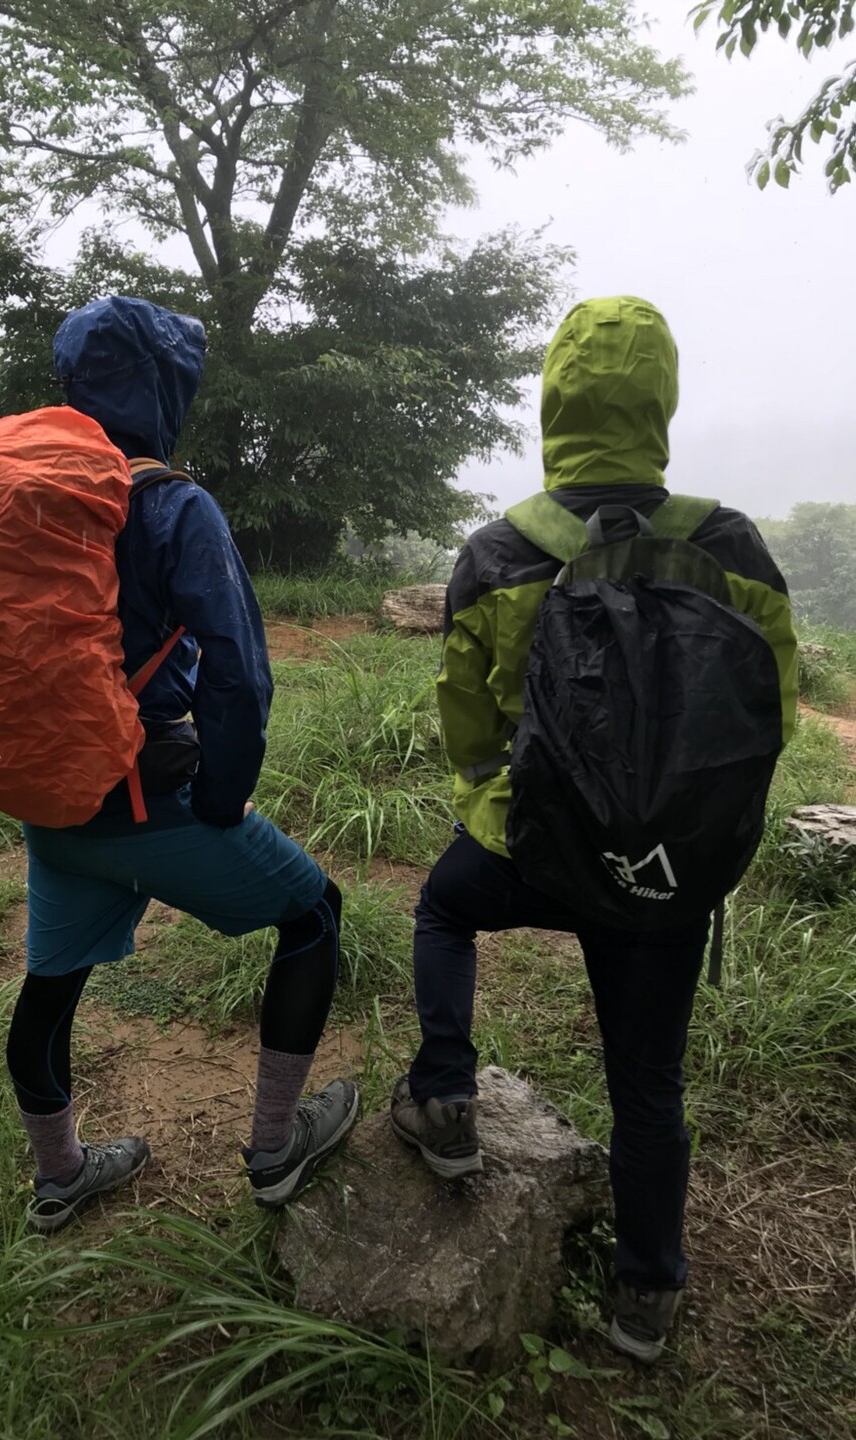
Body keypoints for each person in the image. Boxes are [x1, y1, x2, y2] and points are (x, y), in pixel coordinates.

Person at [389, 296, 797, 1362]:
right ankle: (645, 1293)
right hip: (664, 876)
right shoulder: (731, 545)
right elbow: (771, 715)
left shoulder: (499, 551)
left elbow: (466, 726)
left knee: (442, 907)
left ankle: (443, 1098)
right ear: (659, 401)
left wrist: (510, 811)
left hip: (530, 851)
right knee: (646, 1085)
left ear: (553, 402)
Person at [5, 295, 358, 1233]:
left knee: (51, 984)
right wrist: (221, 799)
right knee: (314, 913)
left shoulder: (25, 497)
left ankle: (60, 1174)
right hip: (147, 798)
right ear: (164, 386)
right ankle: (276, 1150)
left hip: (51, 797)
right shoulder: (168, 503)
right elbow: (237, 673)